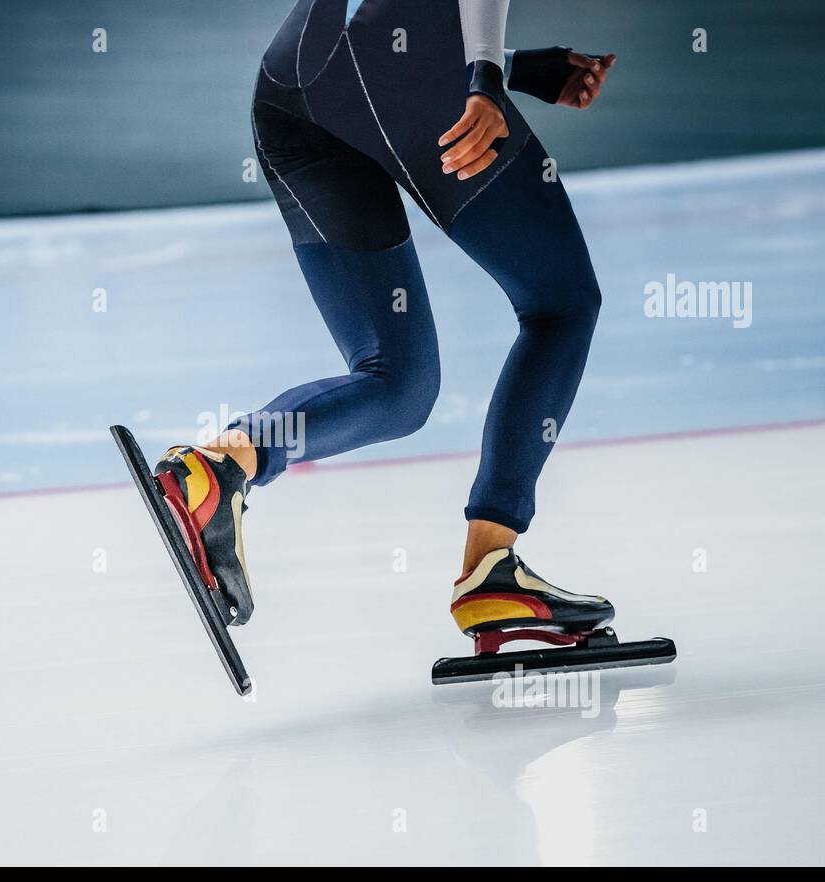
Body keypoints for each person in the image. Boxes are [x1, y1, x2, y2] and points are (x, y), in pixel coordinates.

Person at [152, 1, 618, 640]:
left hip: (292, 90)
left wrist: (514, 68)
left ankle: (220, 466)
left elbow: (362, 37)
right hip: (413, 77)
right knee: (561, 305)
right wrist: (483, 77)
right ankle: (491, 568)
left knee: (398, 386)